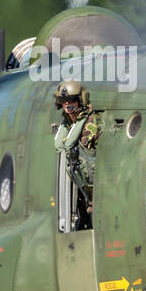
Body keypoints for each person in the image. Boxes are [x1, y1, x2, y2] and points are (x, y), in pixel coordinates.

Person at [53, 80, 102, 229]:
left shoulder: (91, 122)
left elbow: (75, 144)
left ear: (80, 101)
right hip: (84, 192)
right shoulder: (68, 121)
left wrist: (80, 120)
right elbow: (59, 146)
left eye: (72, 102)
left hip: (97, 188)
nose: (67, 106)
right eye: (64, 102)